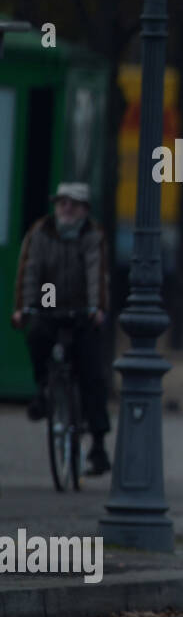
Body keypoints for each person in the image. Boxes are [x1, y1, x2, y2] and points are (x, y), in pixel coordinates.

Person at [10, 182, 112, 475]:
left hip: (82, 310)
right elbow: (30, 271)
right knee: (38, 335)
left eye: (74, 204)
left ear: (85, 210)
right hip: (51, 302)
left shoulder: (92, 235)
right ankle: (43, 389)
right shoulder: (41, 232)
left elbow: (97, 273)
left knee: (92, 374)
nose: (66, 208)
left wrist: (97, 308)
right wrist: (24, 307)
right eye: (62, 203)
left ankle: (98, 446)